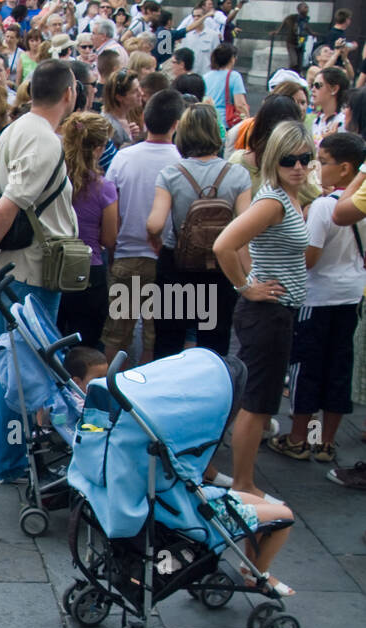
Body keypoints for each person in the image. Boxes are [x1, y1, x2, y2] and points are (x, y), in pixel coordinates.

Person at [0, 59, 78, 483]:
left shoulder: (14, 128)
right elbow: (3, 205)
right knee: (21, 367)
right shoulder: (45, 141)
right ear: (69, 92)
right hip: (31, 268)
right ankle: (8, 461)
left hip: (12, 265)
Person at [212, 120, 313, 501]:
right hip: (267, 314)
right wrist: (247, 287)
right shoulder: (273, 202)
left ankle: (237, 478)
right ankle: (243, 483)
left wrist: (252, 275)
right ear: (274, 159)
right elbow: (225, 244)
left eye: (305, 158)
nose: (299, 166)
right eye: (290, 159)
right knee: (256, 404)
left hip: (275, 312)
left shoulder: (285, 196)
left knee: (255, 400)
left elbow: (241, 244)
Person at [265, 132, 365, 465]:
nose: (314, 168)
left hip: (317, 296)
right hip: (351, 294)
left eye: (321, 162)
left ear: (346, 168)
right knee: (339, 367)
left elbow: (309, 259)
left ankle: (298, 439)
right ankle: (325, 441)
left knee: (306, 367)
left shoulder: (324, 206)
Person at [146, 101, 251, 358]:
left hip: (176, 266)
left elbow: (155, 223)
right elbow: (245, 228)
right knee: (214, 346)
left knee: (168, 343)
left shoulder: (171, 174)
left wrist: (156, 240)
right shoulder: (238, 175)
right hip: (220, 269)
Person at [104, 88, 184, 364]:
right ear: (176, 124)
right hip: (164, 261)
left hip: (126, 255)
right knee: (154, 335)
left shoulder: (124, 158)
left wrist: (113, 248)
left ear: (146, 121)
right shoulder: (181, 162)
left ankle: (109, 397)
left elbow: (112, 208)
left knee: (117, 333)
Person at [56, 110, 116, 348]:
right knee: (87, 344)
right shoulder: (105, 188)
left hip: (54, 265)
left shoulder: (55, 179)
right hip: (89, 270)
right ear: (100, 148)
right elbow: (109, 238)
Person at [202, 42, 245, 133]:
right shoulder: (234, 76)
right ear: (232, 59)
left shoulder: (205, 76)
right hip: (226, 123)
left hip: (207, 121)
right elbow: (240, 104)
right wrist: (247, 121)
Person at [311, 65, 348, 145]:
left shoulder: (343, 122)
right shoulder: (317, 120)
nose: (313, 90)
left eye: (318, 86)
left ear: (334, 89)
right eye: (312, 85)